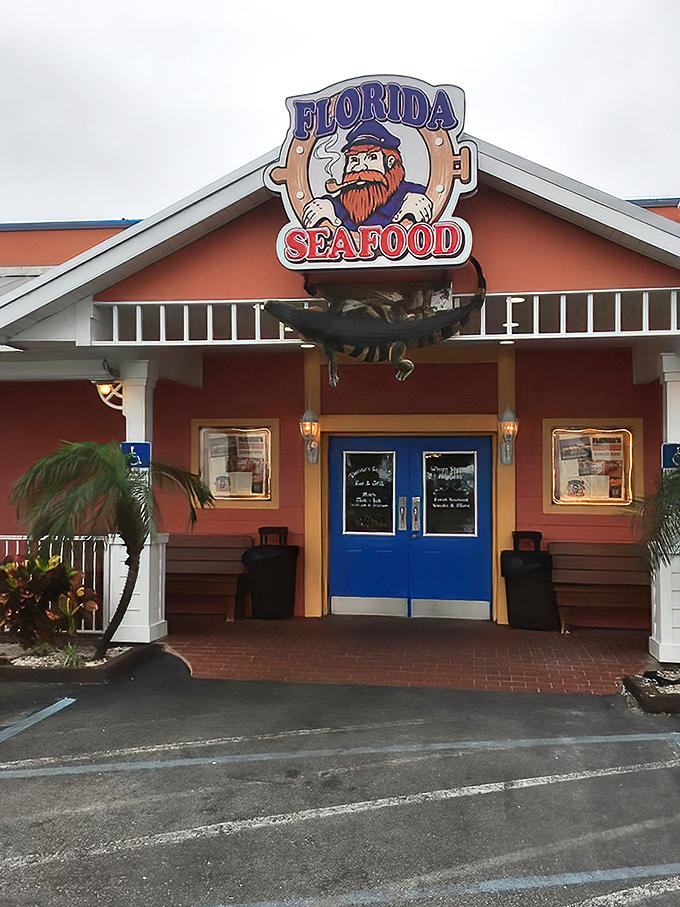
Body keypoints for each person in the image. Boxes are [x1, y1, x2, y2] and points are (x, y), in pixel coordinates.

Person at [303, 121, 432, 231]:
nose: (360, 167)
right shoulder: (338, 204)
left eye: (371, 157)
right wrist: (325, 212)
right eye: (354, 160)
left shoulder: (410, 195)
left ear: (390, 162)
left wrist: (414, 212)